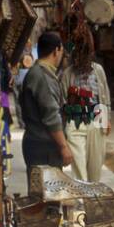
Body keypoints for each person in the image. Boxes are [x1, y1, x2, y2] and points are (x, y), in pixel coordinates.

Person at [20, 31, 73, 173]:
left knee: (40, 191)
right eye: (61, 50)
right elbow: (51, 116)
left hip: (38, 143)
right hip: (44, 147)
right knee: (48, 192)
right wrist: (63, 146)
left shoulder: (38, 72)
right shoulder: (42, 76)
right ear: (56, 51)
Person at [60, 50, 111, 182]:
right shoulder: (67, 73)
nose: (80, 59)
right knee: (79, 169)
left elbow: (104, 94)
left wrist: (107, 119)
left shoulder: (98, 70)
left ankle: (91, 199)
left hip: (97, 118)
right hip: (74, 121)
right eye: (77, 56)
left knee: (95, 168)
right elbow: (62, 102)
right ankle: (82, 200)